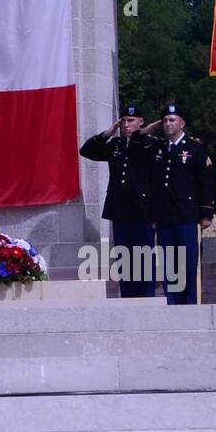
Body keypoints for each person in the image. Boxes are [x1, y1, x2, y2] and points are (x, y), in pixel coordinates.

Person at [79, 104, 156, 297]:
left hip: (142, 209)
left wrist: (142, 135)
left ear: (141, 122)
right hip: (120, 209)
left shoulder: (151, 144)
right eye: (123, 121)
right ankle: (128, 294)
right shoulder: (116, 144)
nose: (126, 125)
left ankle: (145, 295)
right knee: (124, 255)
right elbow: (87, 151)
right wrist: (108, 133)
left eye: (130, 121)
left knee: (143, 255)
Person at [147, 104, 214, 304]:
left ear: (182, 123)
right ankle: (172, 303)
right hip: (165, 217)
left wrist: (207, 213)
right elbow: (154, 184)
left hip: (187, 215)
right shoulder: (158, 148)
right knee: (169, 265)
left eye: (172, 120)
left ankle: (190, 305)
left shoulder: (195, 147)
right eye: (165, 120)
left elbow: (206, 181)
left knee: (189, 262)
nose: (168, 124)